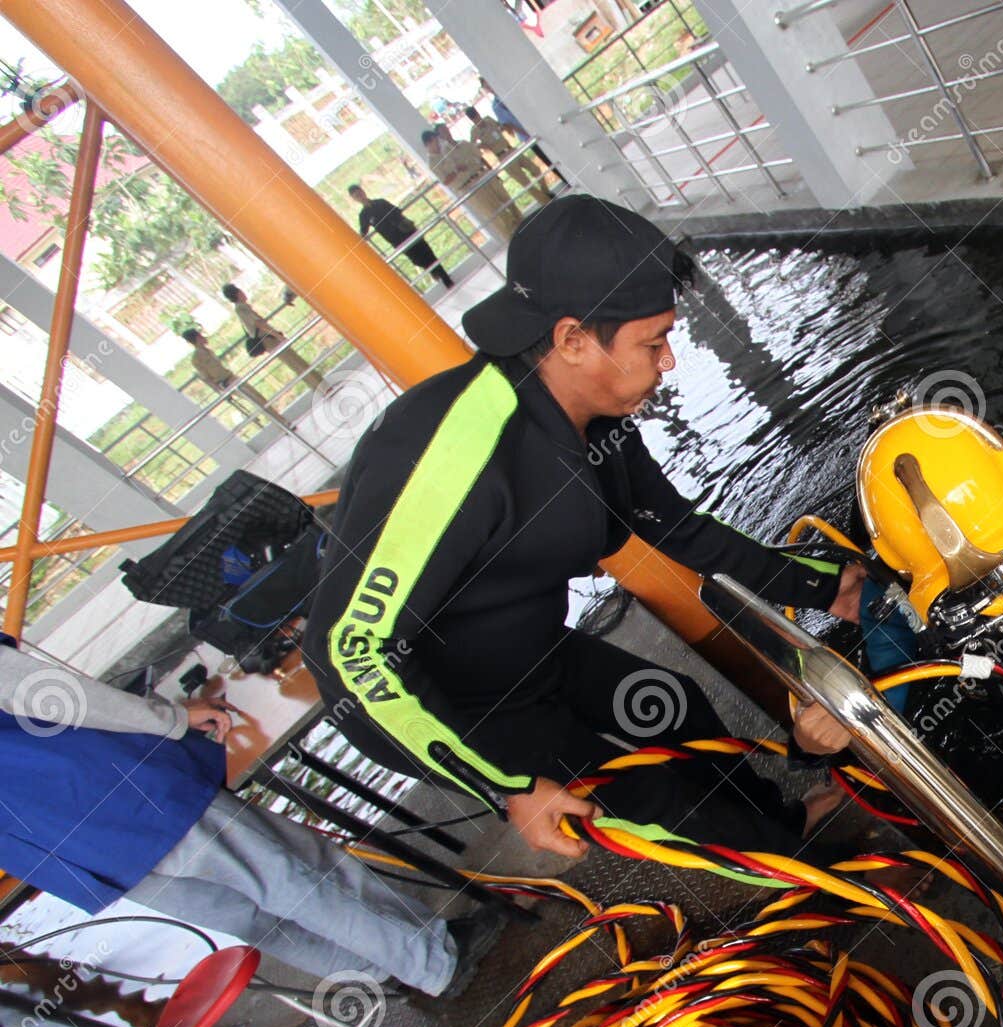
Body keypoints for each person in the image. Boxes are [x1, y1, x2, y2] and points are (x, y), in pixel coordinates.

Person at [303, 195, 865, 863]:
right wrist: (507, 785)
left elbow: (678, 528)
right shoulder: (449, 453)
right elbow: (349, 651)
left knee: (674, 705)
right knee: (659, 810)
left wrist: (826, 585)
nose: (668, 362)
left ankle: (783, 823)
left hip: (530, 649)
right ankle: (827, 885)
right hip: (455, 704)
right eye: (652, 343)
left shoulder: (593, 420)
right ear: (572, 339)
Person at [0, 637, 503, 999]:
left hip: (65, 851)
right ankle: (436, 962)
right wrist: (174, 717)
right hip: (120, 799)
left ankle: (377, 971)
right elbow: (56, 695)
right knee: (298, 875)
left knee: (248, 914)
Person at [421, 127, 520, 246]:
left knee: (501, 204)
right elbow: (445, 181)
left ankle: (518, 226)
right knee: (493, 214)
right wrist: (456, 171)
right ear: (429, 143)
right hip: (466, 187)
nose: (438, 143)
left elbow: (476, 157)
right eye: (435, 140)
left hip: (476, 178)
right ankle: (511, 240)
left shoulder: (446, 151)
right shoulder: (432, 163)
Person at [220, 283, 324, 391]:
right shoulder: (240, 309)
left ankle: (320, 385)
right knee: (295, 363)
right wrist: (277, 336)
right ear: (237, 293)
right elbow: (259, 324)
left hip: (269, 338)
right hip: (268, 339)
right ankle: (319, 386)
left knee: (296, 361)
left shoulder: (242, 307)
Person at [348, 183, 455, 289]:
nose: (360, 196)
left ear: (363, 191)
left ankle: (446, 280)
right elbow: (363, 231)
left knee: (428, 253)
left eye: (360, 193)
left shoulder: (380, 202)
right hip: (396, 240)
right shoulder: (363, 215)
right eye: (356, 196)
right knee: (417, 260)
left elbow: (397, 211)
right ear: (354, 199)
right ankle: (435, 272)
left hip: (407, 231)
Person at [180, 327, 279, 415]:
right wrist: (221, 392)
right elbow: (207, 378)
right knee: (255, 400)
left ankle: (278, 417)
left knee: (258, 397)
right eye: (201, 336)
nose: (204, 337)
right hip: (226, 382)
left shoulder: (208, 351)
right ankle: (277, 419)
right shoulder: (197, 359)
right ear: (197, 338)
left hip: (232, 377)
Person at [463, 107, 550, 205]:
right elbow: (472, 147)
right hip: (502, 156)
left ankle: (545, 191)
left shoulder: (488, 119)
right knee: (525, 182)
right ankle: (545, 201)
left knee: (535, 169)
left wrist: (505, 127)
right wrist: (480, 145)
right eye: (473, 117)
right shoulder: (474, 131)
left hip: (511, 149)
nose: (476, 117)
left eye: (476, 114)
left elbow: (500, 126)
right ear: (470, 119)